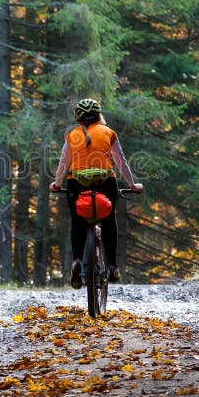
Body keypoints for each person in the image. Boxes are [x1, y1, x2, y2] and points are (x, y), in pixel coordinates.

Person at [50, 98, 144, 288]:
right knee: (109, 221)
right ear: (99, 115)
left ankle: (77, 262)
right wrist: (132, 185)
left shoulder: (72, 135)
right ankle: (111, 266)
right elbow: (121, 162)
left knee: (78, 222)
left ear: (78, 119)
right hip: (105, 182)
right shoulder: (108, 133)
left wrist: (57, 184)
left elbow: (63, 163)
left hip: (76, 183)